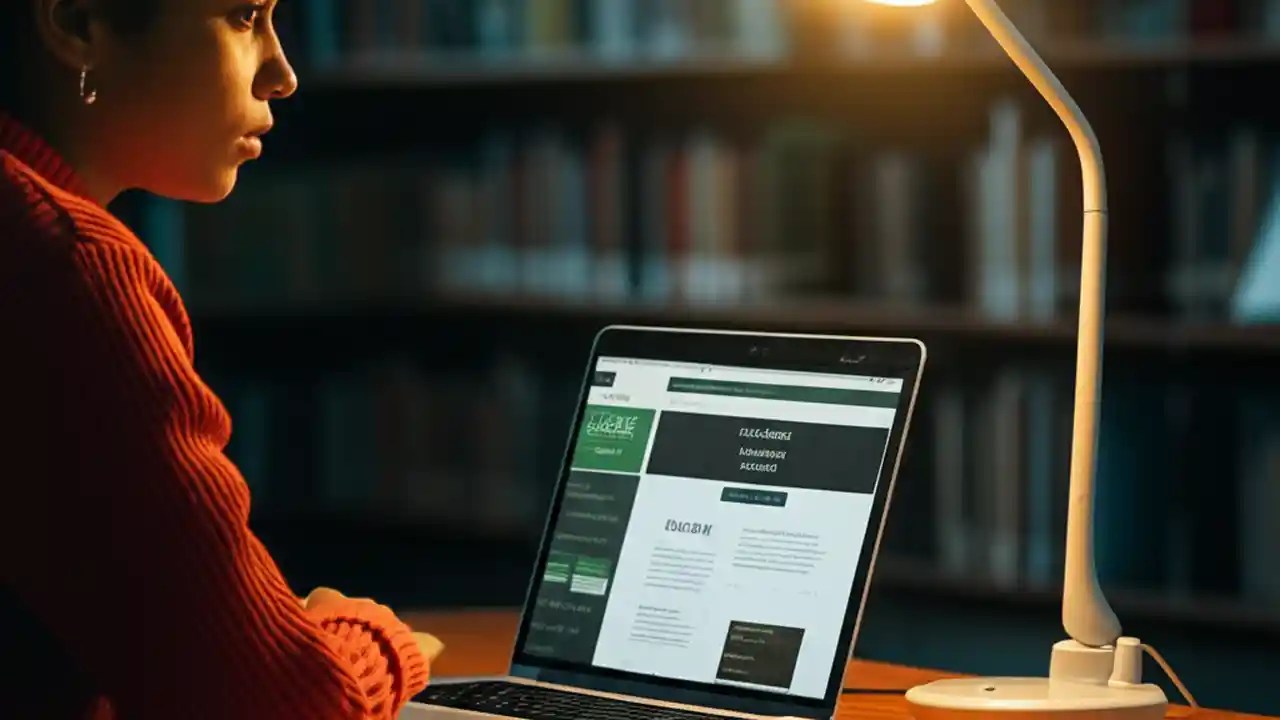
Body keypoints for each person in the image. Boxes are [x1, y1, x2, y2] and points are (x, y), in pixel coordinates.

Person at [0, 1, 442, 718]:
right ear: (79, 23)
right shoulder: (64, 268)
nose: (282, 74)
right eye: (243, 16)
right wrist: (378, 640)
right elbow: (287, 705)